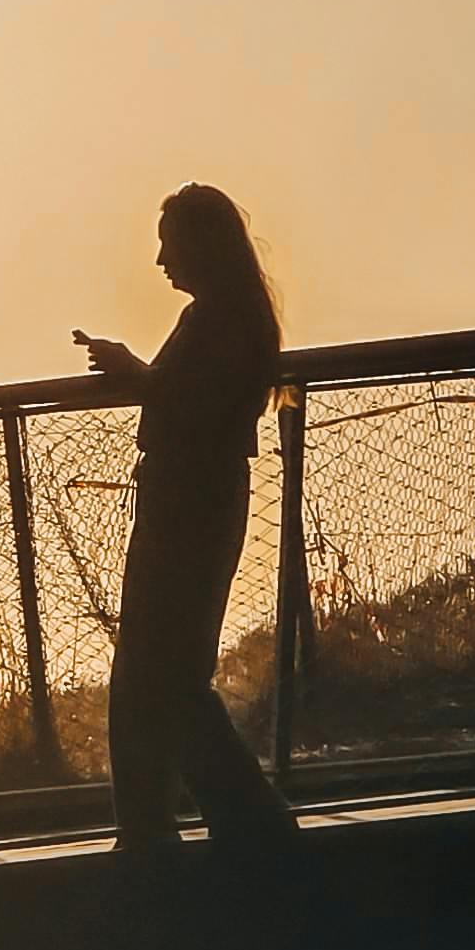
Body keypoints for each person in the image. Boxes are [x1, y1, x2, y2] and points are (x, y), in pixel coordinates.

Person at [76, 184, 298, 860]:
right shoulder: (236, 314)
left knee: (157, 667)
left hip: (186, 503)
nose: (160, 259)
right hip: (199, 497)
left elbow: (193, 404)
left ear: (200, 245)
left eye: (169, 242)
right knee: (168, 667)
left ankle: (196, 821)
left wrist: (133, 374)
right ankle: (197, 819)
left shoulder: (217, 320)